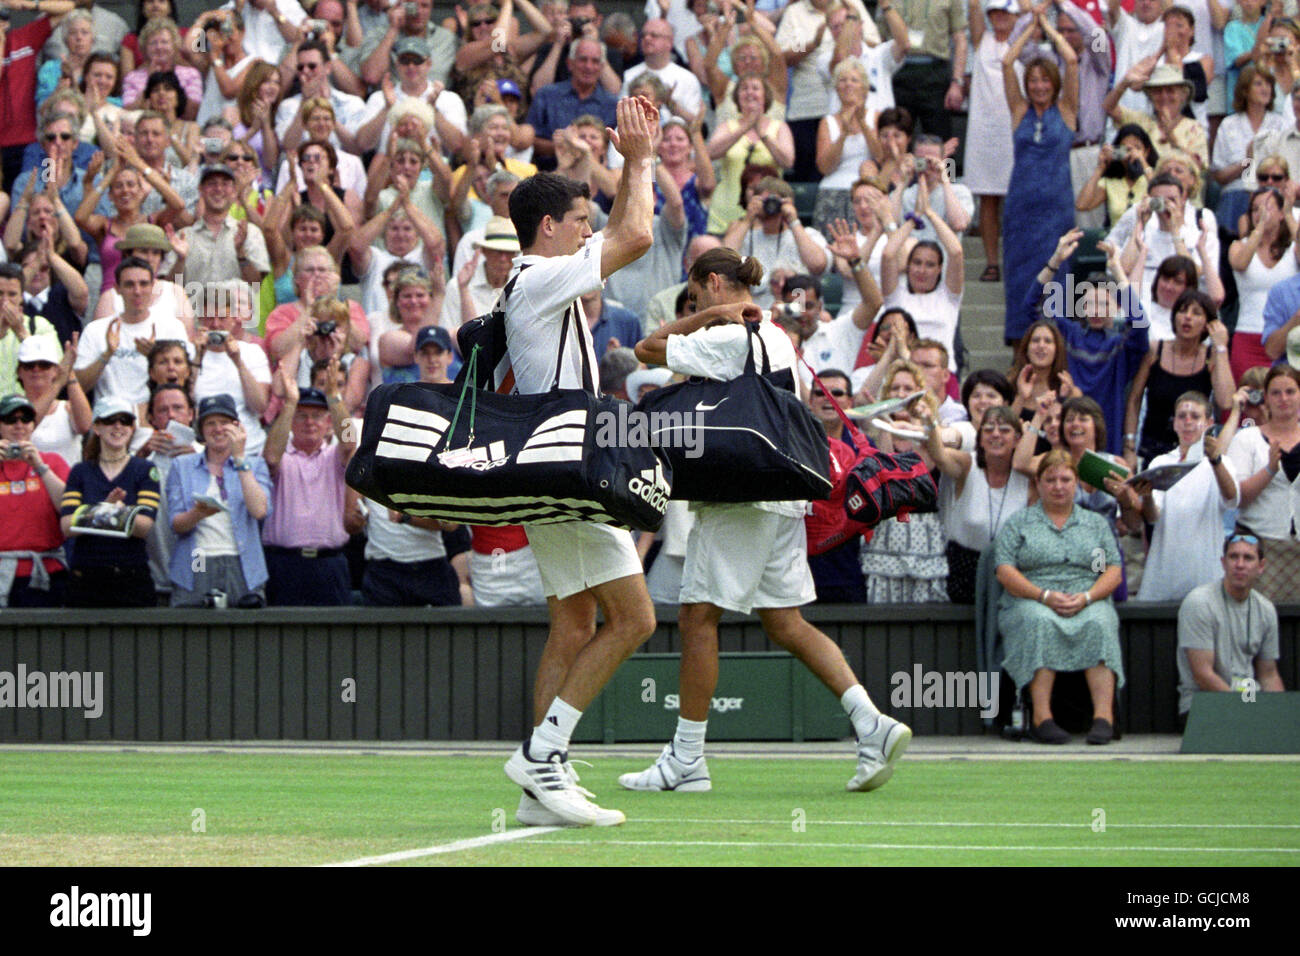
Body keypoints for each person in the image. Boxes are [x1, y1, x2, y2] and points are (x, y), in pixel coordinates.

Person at [629, 245, 911, 794]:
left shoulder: (726, 337)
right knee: (785, 622)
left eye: (696, 294)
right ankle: (871, 725)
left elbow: (645, 349)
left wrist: (710, 316)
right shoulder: (779, 336)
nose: (693, 304)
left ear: (712, 283)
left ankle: (687, 759)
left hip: (743, 500)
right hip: (784, 496)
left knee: (696, 619)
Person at [499, 97, 660, 828]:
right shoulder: (538, 275)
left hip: (549, 472)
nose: (588, 232)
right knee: (636, 619)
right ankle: (543, 754)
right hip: (566, 472)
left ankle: (540, 790)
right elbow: (638, 233)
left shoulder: (532, 277)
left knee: (573, 624)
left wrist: (629, 163)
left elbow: (620, 229)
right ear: (548, 229)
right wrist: (640, 157)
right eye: (579, 223)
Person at [993, 450, 1124, 745]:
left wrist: (1088, 597)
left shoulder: (1094, 525)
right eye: (1050, 479)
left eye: (1065, 479)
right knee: (1039, 621)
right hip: (1032, 598)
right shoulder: (1020, 523)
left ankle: (1104, 717)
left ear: (1076, 482)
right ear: (1038, 484)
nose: (1058, 485)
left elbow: (1109, 570)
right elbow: (1004, 569)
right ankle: (1042, 717)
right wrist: (1044, 596)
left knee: (1100, 621)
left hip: (1085, 596)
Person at [1026, 231, 1148, 456]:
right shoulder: (1069, 334)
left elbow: (1140, 323)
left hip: (1107, 442)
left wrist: (1117, 271)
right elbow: (1031, 306)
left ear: (1116, 307)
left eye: (1104, 304)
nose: (1096, 311)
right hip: (1067, 439)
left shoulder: (1120, 345)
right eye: (1090, 303)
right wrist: (1055, 260)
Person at [1001, 12, 1078, 345]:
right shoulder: (1019, 109)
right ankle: (1020, 348)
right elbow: (1007, 62)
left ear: (1054, 82)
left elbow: (1072, 61)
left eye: (1045, 79)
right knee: (1021, 280)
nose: (1039, 86)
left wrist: (1047, 27)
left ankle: (1057, 347)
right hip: (1021, 212)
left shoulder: (1067, 109)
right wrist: (1030, 28)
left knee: (1058, 278)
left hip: (1057, 213)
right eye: (1032, 80)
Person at [1126, 391, 1240, 603]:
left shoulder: (1222, 463)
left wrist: (1216, 461)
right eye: (1182, 416)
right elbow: (1152, 517)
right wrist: (1147, 496)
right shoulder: (1160, 462)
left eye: (1195, 417)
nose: (1188, 422)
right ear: (1175, 423)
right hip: (1164, 574)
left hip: (1207, 575)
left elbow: (1232, 499)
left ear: (1209, 423)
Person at [261, 362, 356, 606]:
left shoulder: (334, 456)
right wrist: (290, 403)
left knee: (336, 641)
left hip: (330, 564)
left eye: (317, 416)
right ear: (291, 422)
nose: (309, 422)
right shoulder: (282, 456)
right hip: (284, 564)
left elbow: (349, 443)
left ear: (327, 423)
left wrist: (333, 396)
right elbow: (270, 456)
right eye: (301, 416)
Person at [166, 393, 271, 608]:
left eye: (224, 423)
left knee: (246, 632)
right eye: (210, 423)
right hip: (199, 556)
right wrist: (198, 514)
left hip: (241, 561)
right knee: (194, 619)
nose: (218, 429)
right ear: (201, 430)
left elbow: (259, 511)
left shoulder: (255, 465)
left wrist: (240, 459)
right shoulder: (182, 465)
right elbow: (176, 525)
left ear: (237, 427)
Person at [59, 395, 160, 608]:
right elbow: (67, 526)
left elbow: (144, 526)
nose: (118, 426)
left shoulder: (145, 470)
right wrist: (107, 509)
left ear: (133, 428)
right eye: (110, 420)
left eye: (125, 421)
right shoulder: (80, 472)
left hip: (131, 577)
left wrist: (92, 515)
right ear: (97, 427)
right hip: (85, 577)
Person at [925, 403, 1030, 605]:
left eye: (1005, 430)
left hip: (1012, 571)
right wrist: (929, 423)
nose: (996, 434)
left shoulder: (1027, 475)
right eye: (989, 429)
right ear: (980, 438)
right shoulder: (967, 464)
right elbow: (938, 455)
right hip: (963, 569)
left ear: (1017, 439)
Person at [1177, 532, 1286, 727]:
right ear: (1223, 562)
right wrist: (1243, 710)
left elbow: (1269, 675)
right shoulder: (1199, 602)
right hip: (1204, 705)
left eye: (1248, 558)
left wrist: (1280, 714)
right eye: (1233, 557)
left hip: (1250, 701)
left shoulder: (1266, 609)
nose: (1240, 564)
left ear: (1261, 566)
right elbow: (1203, 674)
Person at [1124, 289, 1234, 469]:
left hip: (1194, 448)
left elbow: (1226, 401)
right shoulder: (1154, 350)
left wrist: (1221, 347)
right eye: (1183, 311)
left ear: (1208, 323)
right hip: (1153, 446)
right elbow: (1134, 399)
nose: (1187, 317)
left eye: (1196, 313)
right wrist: (1129, 446)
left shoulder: (1212, 356)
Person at [1225, 364, 1300, 604]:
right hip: (1261, 547)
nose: (1283, 398)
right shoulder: (1247, 439)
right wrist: (1269, 470)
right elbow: (1238, 497)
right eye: (1276, 393)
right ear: (1266, 398)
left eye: (1290, 391)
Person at [74, 257, 191, 406]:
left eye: (143, 284)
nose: (137, 291)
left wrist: (154, 357)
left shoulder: (173, 327)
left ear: (153, 286)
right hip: (110, 416)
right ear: (117, 289)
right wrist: (106, 354)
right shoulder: (96, 330)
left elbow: (184, 381)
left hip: (155, 413)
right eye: (129, 285)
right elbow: (79, 387)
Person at [880, 177, 964, 378]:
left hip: (943, 376)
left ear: (939, 270)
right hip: (904, 377)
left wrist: (930, 213)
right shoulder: (896, 297)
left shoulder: (949, 297)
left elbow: (956, 252)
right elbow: (888, 254)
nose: (922, 270)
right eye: (916, 263)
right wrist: (914, 218)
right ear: (908, 266)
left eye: (930, 265)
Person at [0, 392, 70, 607]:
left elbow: (69, 510)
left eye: (26, 419)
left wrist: (40, 467)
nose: (19, 425)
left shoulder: (53, 462)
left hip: (46, 571)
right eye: (11, 419)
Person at [965, 0, 1019, 280]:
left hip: (1014, 131)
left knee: (1015, 200)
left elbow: (1031, 15)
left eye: (1005, 12)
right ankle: (991, 262)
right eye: (995, 12)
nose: (999, 16)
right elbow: (973, 6)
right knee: (988, 198)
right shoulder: (981, 38)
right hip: (984, 133)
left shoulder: (1025, 40)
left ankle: (1014, 260)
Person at [721, 175, 828, 309]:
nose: (770, 206)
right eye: (764, 201)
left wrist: (793, 220)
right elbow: (722, 259)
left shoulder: (808, 234)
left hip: (797, 313)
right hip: (754, 314)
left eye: (775, 200)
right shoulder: (745, 237)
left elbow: (818, 265)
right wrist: (748, 218)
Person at [705, 77, 793, 234]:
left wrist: (762, 134)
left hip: (768, 212)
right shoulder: (726, 126)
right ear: (737, 97)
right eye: (744, 88)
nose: (749, 92)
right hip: (726, 212)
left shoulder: (780, 127)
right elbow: (710, 153)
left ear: (765, 96)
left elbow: (787, 161)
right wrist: (745, 127)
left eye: (755, 88)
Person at [1229, 186, 1300, 380]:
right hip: (1247, 334)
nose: (1260, 213)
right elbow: (1240, 263)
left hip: (1285, 339)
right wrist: (1260, 228)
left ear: (1280, 213)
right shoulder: (1239, 246)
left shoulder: (1293, 248)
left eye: (1267, 207)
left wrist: (1288, 214)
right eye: (1255, 209)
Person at [18, 334, 88, 467]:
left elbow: (85, 426)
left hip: (66, 485)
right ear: (19, 371)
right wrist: (58, 384)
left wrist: (69, 372)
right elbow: (29, 421)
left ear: (56, 370)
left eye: (44, 365)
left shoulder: (67, 408)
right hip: (27, 486)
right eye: (29, 365)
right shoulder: (10, 411)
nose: (36, 369)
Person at [1075, 124, 1158, 227]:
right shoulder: (1110, 182)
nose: (1132, 153)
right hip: (1117, 239)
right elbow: (1082, 205)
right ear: (1118, 152)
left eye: (1137, 148)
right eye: (1126, 149)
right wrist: (1100, 168)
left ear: (1146, 152)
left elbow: (1161, 201)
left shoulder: (1152, 177)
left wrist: (1143, 162)